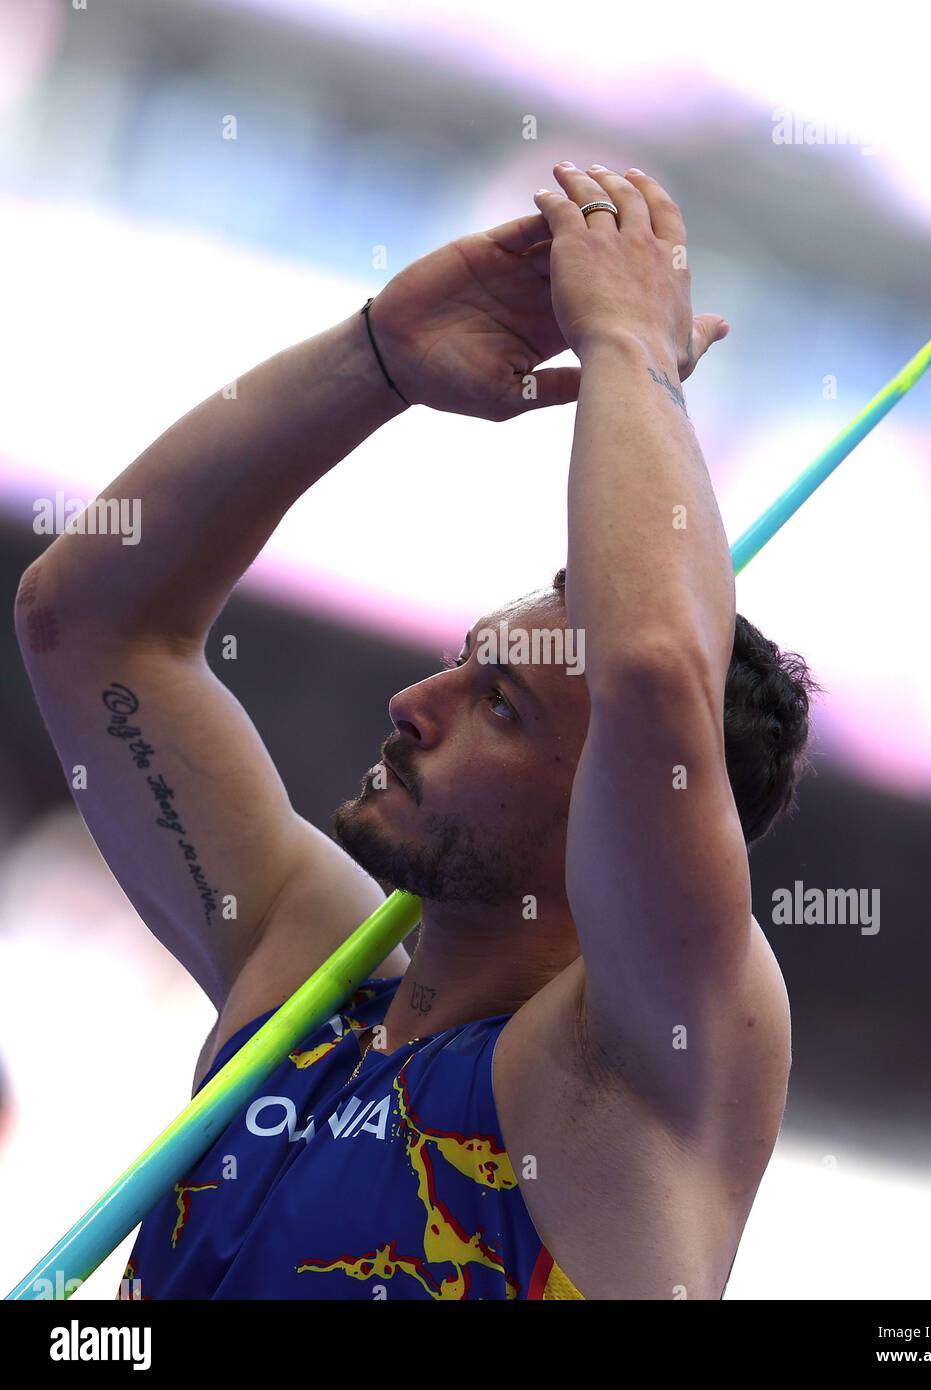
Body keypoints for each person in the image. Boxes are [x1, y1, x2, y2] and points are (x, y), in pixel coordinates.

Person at [15, 163, 815, 1300]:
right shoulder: (299, 985)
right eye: (460, 663)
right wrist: (374, 360)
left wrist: (626, 348)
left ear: (616, 811)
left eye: (499, 704)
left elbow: (648, 673)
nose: (413, 703)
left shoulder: (632, 1080)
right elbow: (89, 624)